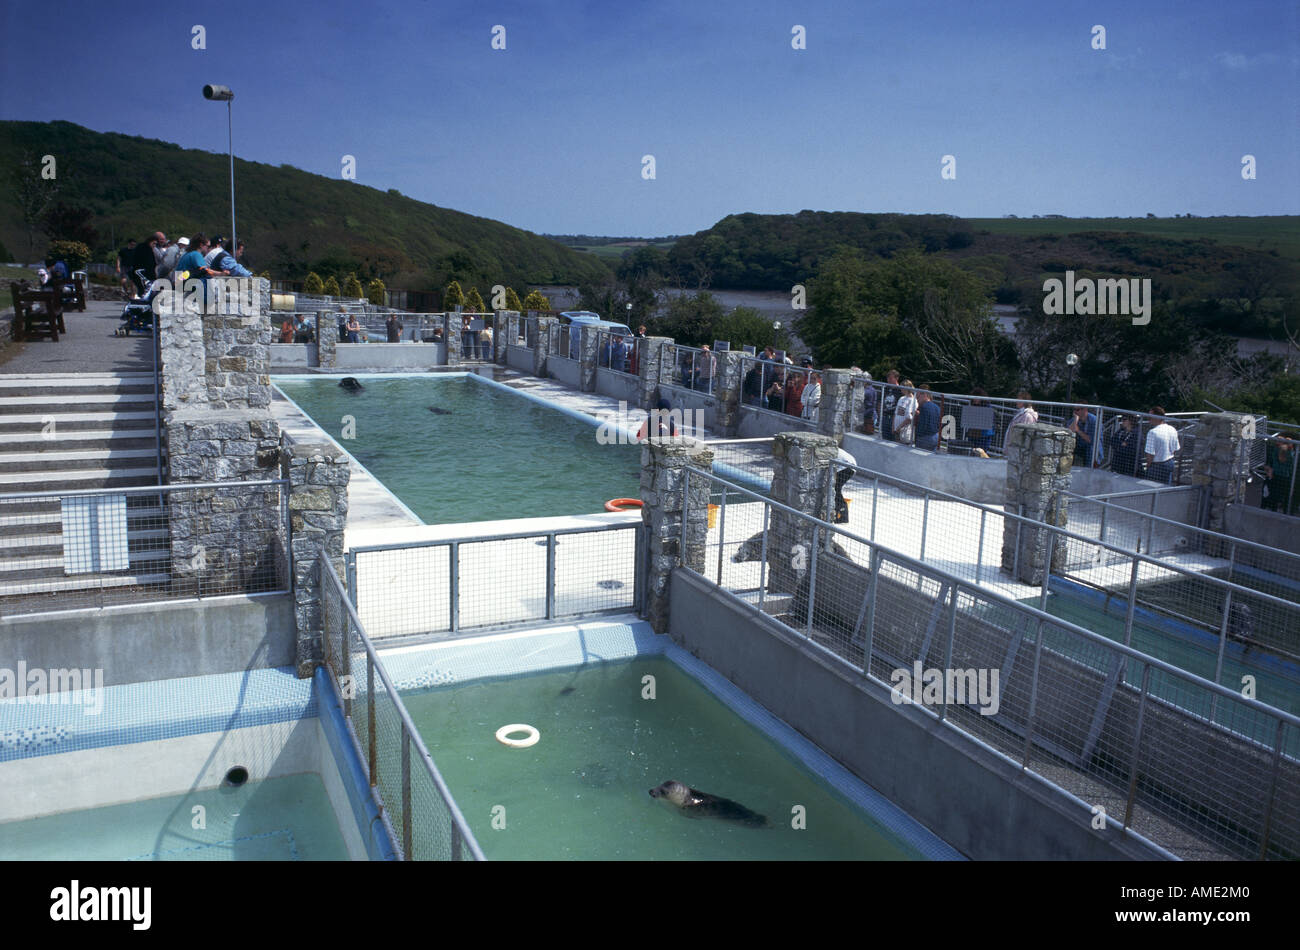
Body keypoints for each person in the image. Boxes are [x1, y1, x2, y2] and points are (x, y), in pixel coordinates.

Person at [1143, 407, 1180, 484]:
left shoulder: (1152, 432)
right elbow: (1175, 449)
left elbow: (1150, 455)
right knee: (1165, 490)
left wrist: (1148, 467)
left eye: (1150, 416)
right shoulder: (1172, 429)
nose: (1149, 418)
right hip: (1169, 463)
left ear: (1157, 417)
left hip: (1156, 466)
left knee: (1151, 490)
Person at [1262, 437, 1297, 515]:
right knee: (1283, 497)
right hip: (1285, 479)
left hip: (1276, 477)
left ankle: (1272, 509)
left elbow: (1274, 456)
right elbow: (1291, 465)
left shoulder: (1276, 454)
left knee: (1274, 496)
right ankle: (1285, 511)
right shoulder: (1290, 456)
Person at [965, 388, 995, 452]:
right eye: (974, 397)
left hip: (984, 436)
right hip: (973, 434)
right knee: (972, 452)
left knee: (982, 453)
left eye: (977, 397)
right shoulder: (972, 406)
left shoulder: (988, 407)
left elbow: (989, 421)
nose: (975, 399)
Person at [915, 387, 942, 451]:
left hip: (925, 438)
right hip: (936, 436)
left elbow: (922, 426)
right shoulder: (937, 407)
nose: (917, 400)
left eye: (918, 397)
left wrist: (917, 437)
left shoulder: (923, 407)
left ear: (925, 395)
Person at [833, 446, 856, 524]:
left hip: (847, 466)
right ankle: (837, 512)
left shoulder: (827, 450)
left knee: (836, 488)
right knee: (835, 488)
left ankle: (843, 516)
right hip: (848, 465)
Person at [893, 380, 918, 445]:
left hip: (905, 431)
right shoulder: (901, 398)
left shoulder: (913, 400)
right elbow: (896, 413)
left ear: (907, 388)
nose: (901, 389)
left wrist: (900, 427)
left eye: (902, 387)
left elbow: (910, 418)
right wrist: (894, 426)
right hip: (897, 429)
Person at [882, 370, 901, 441]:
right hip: (885, 417)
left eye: (890, 378)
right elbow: (879, 401)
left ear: (896, 378)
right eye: (887, 378)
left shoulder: (900, 390)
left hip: (894, 418)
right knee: (884, 438)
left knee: (893, 439)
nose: (888, 380)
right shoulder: (885, 388)